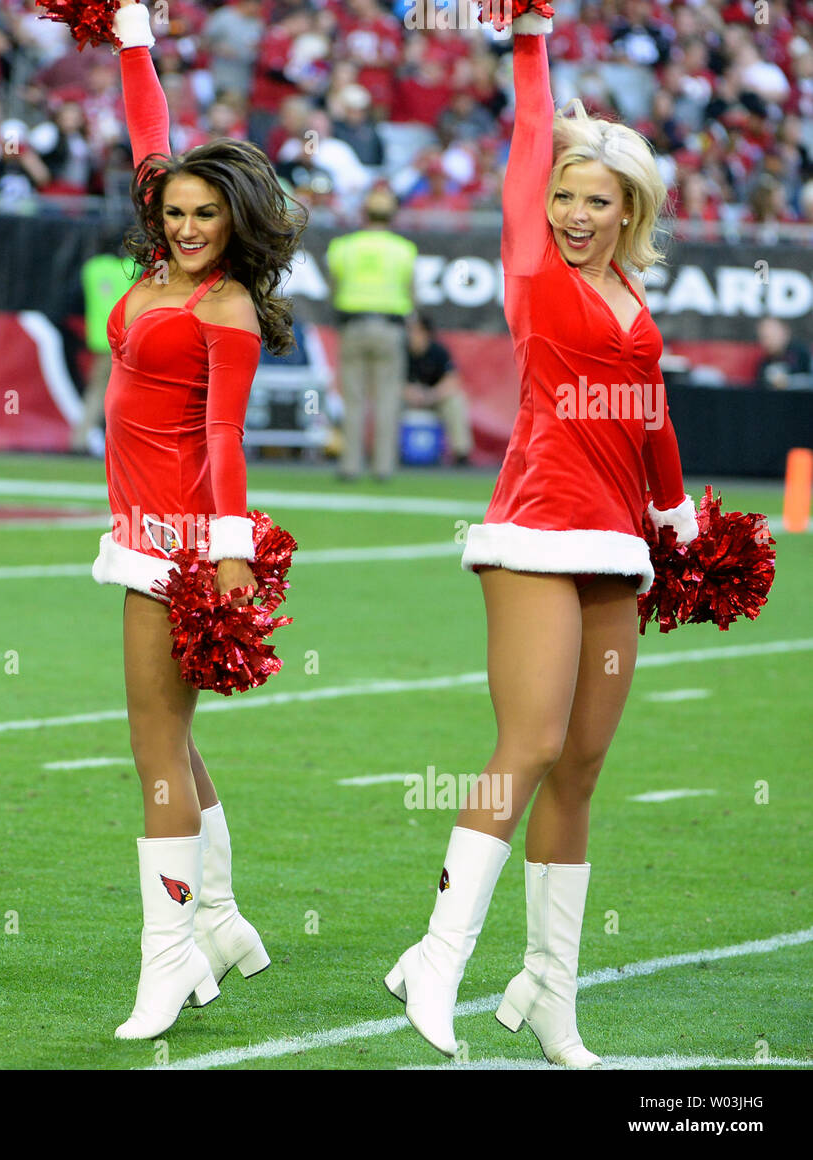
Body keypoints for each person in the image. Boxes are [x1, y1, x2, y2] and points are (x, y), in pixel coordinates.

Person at [385, 7, 698, 1068]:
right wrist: (527, 39)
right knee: (525, 746)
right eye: (561, 194)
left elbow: (650, 417)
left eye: (590, 199)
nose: (568, 210)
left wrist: (679, 517)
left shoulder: (630, 295)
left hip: (618, 544)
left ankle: (550, 992)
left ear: (627, 212)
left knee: (581, 767)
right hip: (533, 529)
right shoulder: (534, 273)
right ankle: (435, 956)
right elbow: (527, 141)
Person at [90, 0, 306, 1040]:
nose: (182, 229)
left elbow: (224, 441)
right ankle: (217, 921)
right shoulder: (157, 265)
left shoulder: (223, 309)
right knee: (173, 741)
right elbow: (147, 134)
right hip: (142, 528)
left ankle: (167, 959)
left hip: (178, 539)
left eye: (202, 218)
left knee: (153, 749)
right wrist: (131, 35)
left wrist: (222, 562)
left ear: (233, 225)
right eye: (172, 213)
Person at [326, 185, 416, 481]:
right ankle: (383, 467)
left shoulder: (343, 246)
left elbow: (334, 287)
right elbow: (412, 293)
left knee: (353, 399)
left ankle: (350, 465)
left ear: (364, 213)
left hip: (352, 324)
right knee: (387, 399)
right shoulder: (404, 249)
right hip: (389, 326)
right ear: (392, 215)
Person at [74, 246, 137, 455]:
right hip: (122, 339)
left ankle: (82, 438)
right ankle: (86, 440)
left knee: (99, 390)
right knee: (119, 392)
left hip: (99, 340)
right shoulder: (129, 268)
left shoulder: (93, 269)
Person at [404, 312, 473, 466]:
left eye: (415, 331)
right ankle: (385, 452)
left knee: (455, 401)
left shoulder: (438, 352)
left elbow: (452, 380)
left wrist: (431, 395)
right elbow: (391, 381)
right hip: (407, 399)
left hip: (433, 398)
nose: (410, 335)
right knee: (387, 400)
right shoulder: (400, 351)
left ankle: (461, 453)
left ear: (426, 333)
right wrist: (408, 392)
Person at [753, 316, 811, 390]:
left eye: (773, 334)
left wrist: (789, 382)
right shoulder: (764, 363)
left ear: (785, 332)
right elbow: (758, 388)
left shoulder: (801, 354)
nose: (769, 340)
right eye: (764, 337)